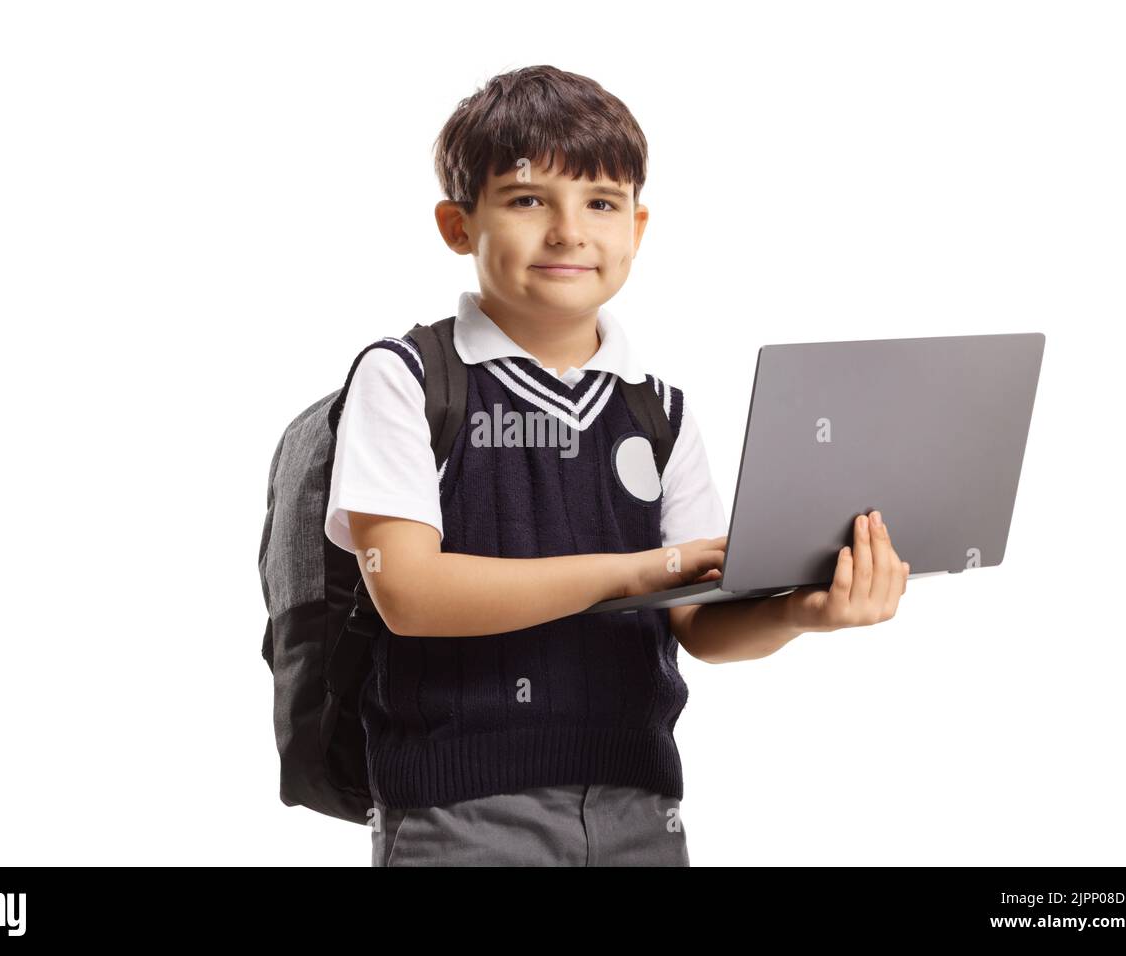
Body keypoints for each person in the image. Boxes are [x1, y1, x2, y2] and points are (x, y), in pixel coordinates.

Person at [323, 65, 910, 866]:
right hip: (458, 816)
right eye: (528, 200)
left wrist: (803, 612)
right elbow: (412, 595)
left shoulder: (659, 412)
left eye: (600, 203)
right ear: (457, 225)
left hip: (641, 812)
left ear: (637, 227)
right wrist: (638, 571)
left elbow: (698, 620)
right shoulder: (409, 378)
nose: (570, 232)